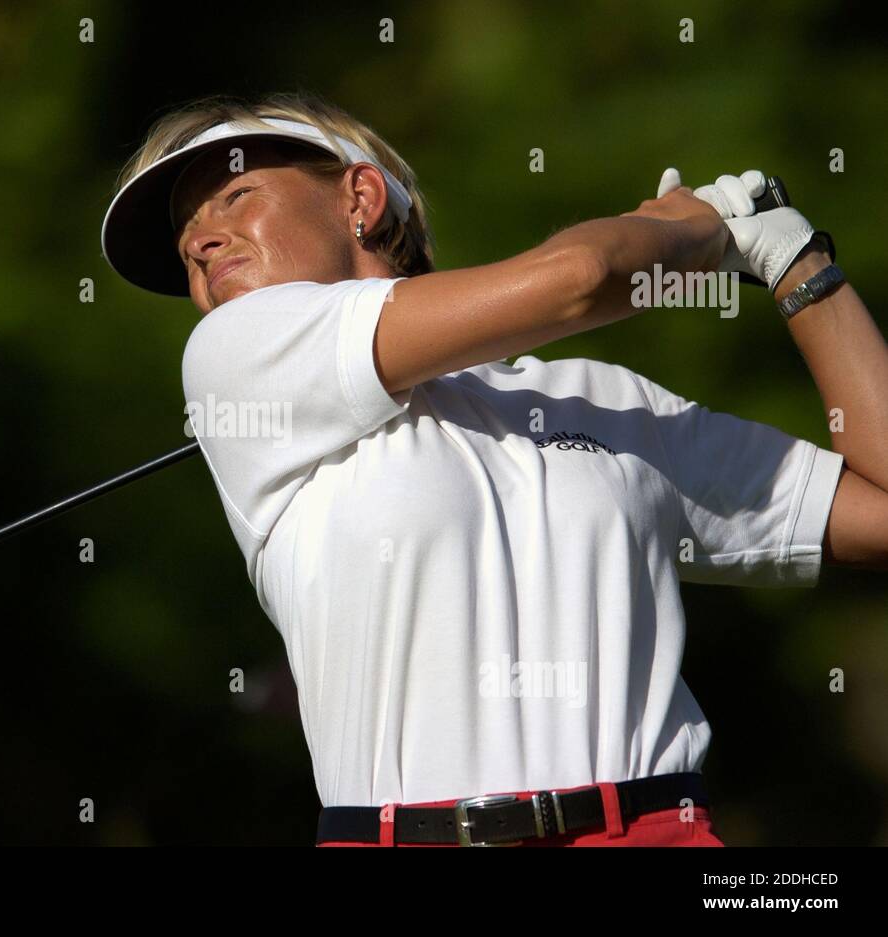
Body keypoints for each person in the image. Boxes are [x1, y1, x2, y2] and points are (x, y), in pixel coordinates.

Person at [100, 91, 888, 846]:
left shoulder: (601, 400)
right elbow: (579, 280)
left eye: (234, 196)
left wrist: (797, 263)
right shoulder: (232, 358)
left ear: (360, 199)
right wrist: (688, 226)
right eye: (186, 235)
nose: (198, 241)